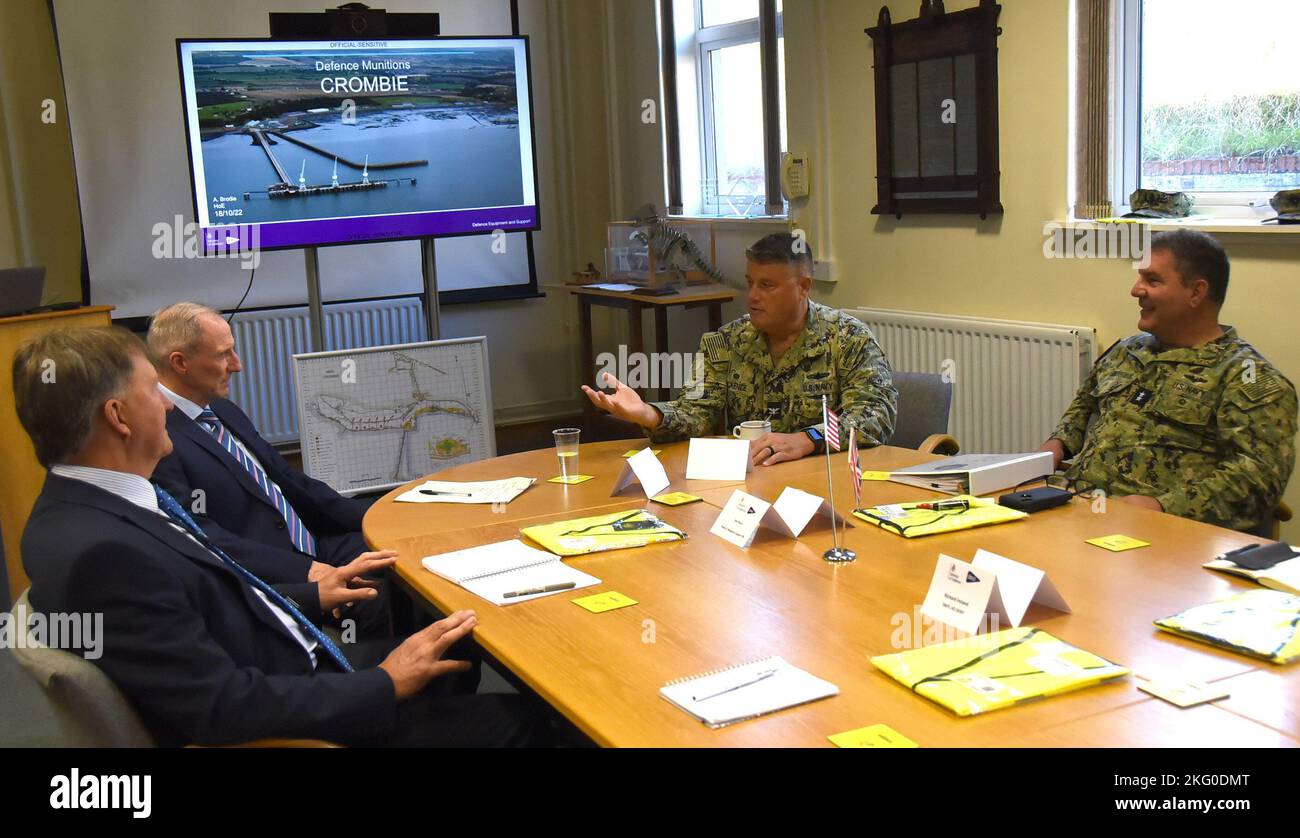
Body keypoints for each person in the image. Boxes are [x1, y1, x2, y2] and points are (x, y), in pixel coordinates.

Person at [15, 327, 541, 746]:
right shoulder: (102, 554)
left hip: (286, 662)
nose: (169, 406)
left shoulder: (87, 506)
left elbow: (201, 596)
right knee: (540, 722)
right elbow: (219, 708)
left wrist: (314, 594)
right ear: (119, 417)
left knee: (456, 643)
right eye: (152, 392)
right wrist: (385, 682)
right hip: (293, 719)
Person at [147, 303, 389, 634]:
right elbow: (202, 536)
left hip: (312, 543)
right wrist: (305, 571)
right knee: (379, 593)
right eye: (224, 355)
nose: (238, 365)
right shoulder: (158, 435)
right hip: (272, 575)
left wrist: (378, 519)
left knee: (406, 555)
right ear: (180, 363)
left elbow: (291, 481)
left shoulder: (222, 409)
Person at [1040, 230, 1297, 532]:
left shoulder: (1246, 377)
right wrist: (1056, 445)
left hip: (1161, 535)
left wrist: (1162, 507)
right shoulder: (1127, 350)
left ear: (1196, 293)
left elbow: (1257, 482)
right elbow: (1084, 406)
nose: (1136, 290)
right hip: (1081, 511)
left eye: (1152, 280)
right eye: (1139, 277)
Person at [582, 232, 897, 466]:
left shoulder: (848, 339)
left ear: (803, 287)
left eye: (767, 285)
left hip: (823, 482)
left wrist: (808, 439)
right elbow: (695, 414)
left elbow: (874, 418)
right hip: (750, 490)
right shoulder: (726, 342)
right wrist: (647, 413)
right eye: (750, 283)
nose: (753, 297)